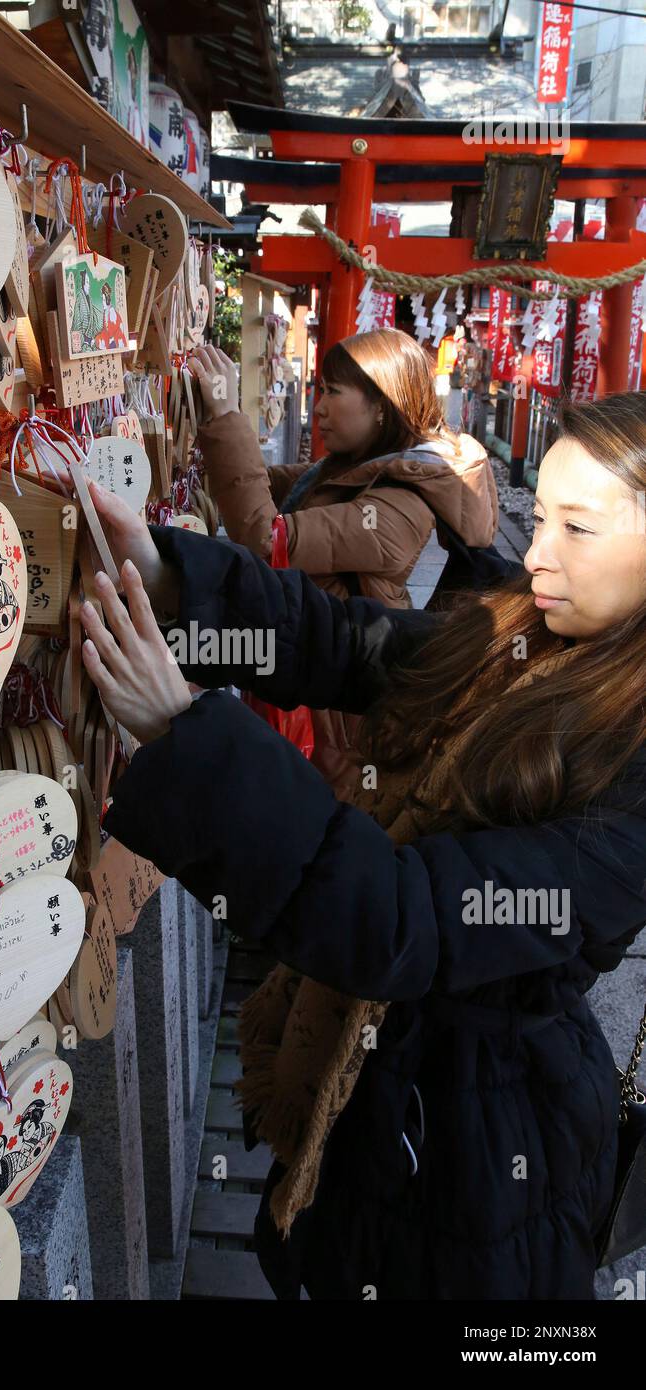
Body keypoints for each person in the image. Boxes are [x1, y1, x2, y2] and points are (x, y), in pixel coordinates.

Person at [75, 390, 646, 1300]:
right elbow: (345, 644)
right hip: (388, 1076)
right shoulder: (524, 628)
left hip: (485, 1142)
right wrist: (172, 576)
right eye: (542, 517)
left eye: (578, 529)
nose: (536, 554)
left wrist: (186, 735)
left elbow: (403, 918)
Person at [188, 331, 498, 802]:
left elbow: (265, 536)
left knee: (305, 831)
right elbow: (258, 483)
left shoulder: (397, 505)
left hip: (337, 726)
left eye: (334, 391)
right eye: (321, 389)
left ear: (381, 405)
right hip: (310, 685)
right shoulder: (346, 471)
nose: (319, 407)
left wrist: (227, 416)